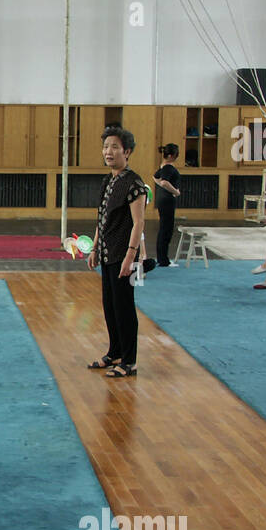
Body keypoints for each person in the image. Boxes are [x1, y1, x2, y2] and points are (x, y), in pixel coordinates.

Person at [87, 126, 148, 378]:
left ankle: (130, 361)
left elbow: (139, 222)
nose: (108, 152)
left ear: (127, 151)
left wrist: (131, 256)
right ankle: (115, 352)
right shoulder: (109, 180)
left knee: (124, 306)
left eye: (114, 147)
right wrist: (94, 247)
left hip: (125, 255)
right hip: (107, 253)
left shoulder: (134, 183)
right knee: (110, 305)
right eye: (105, 147)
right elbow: (102, 219)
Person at [153, 143, 181, 266]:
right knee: (166, 229)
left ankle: (162, 258)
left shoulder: (164, 166)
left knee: (164, 228)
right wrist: (175, 192)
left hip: (163, 199)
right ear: (170, 156)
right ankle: (163, 260)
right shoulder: (168, 167)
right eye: (176, 155)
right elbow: (164, 182)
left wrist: (166, 188)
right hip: (167, 200)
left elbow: (155, 177)